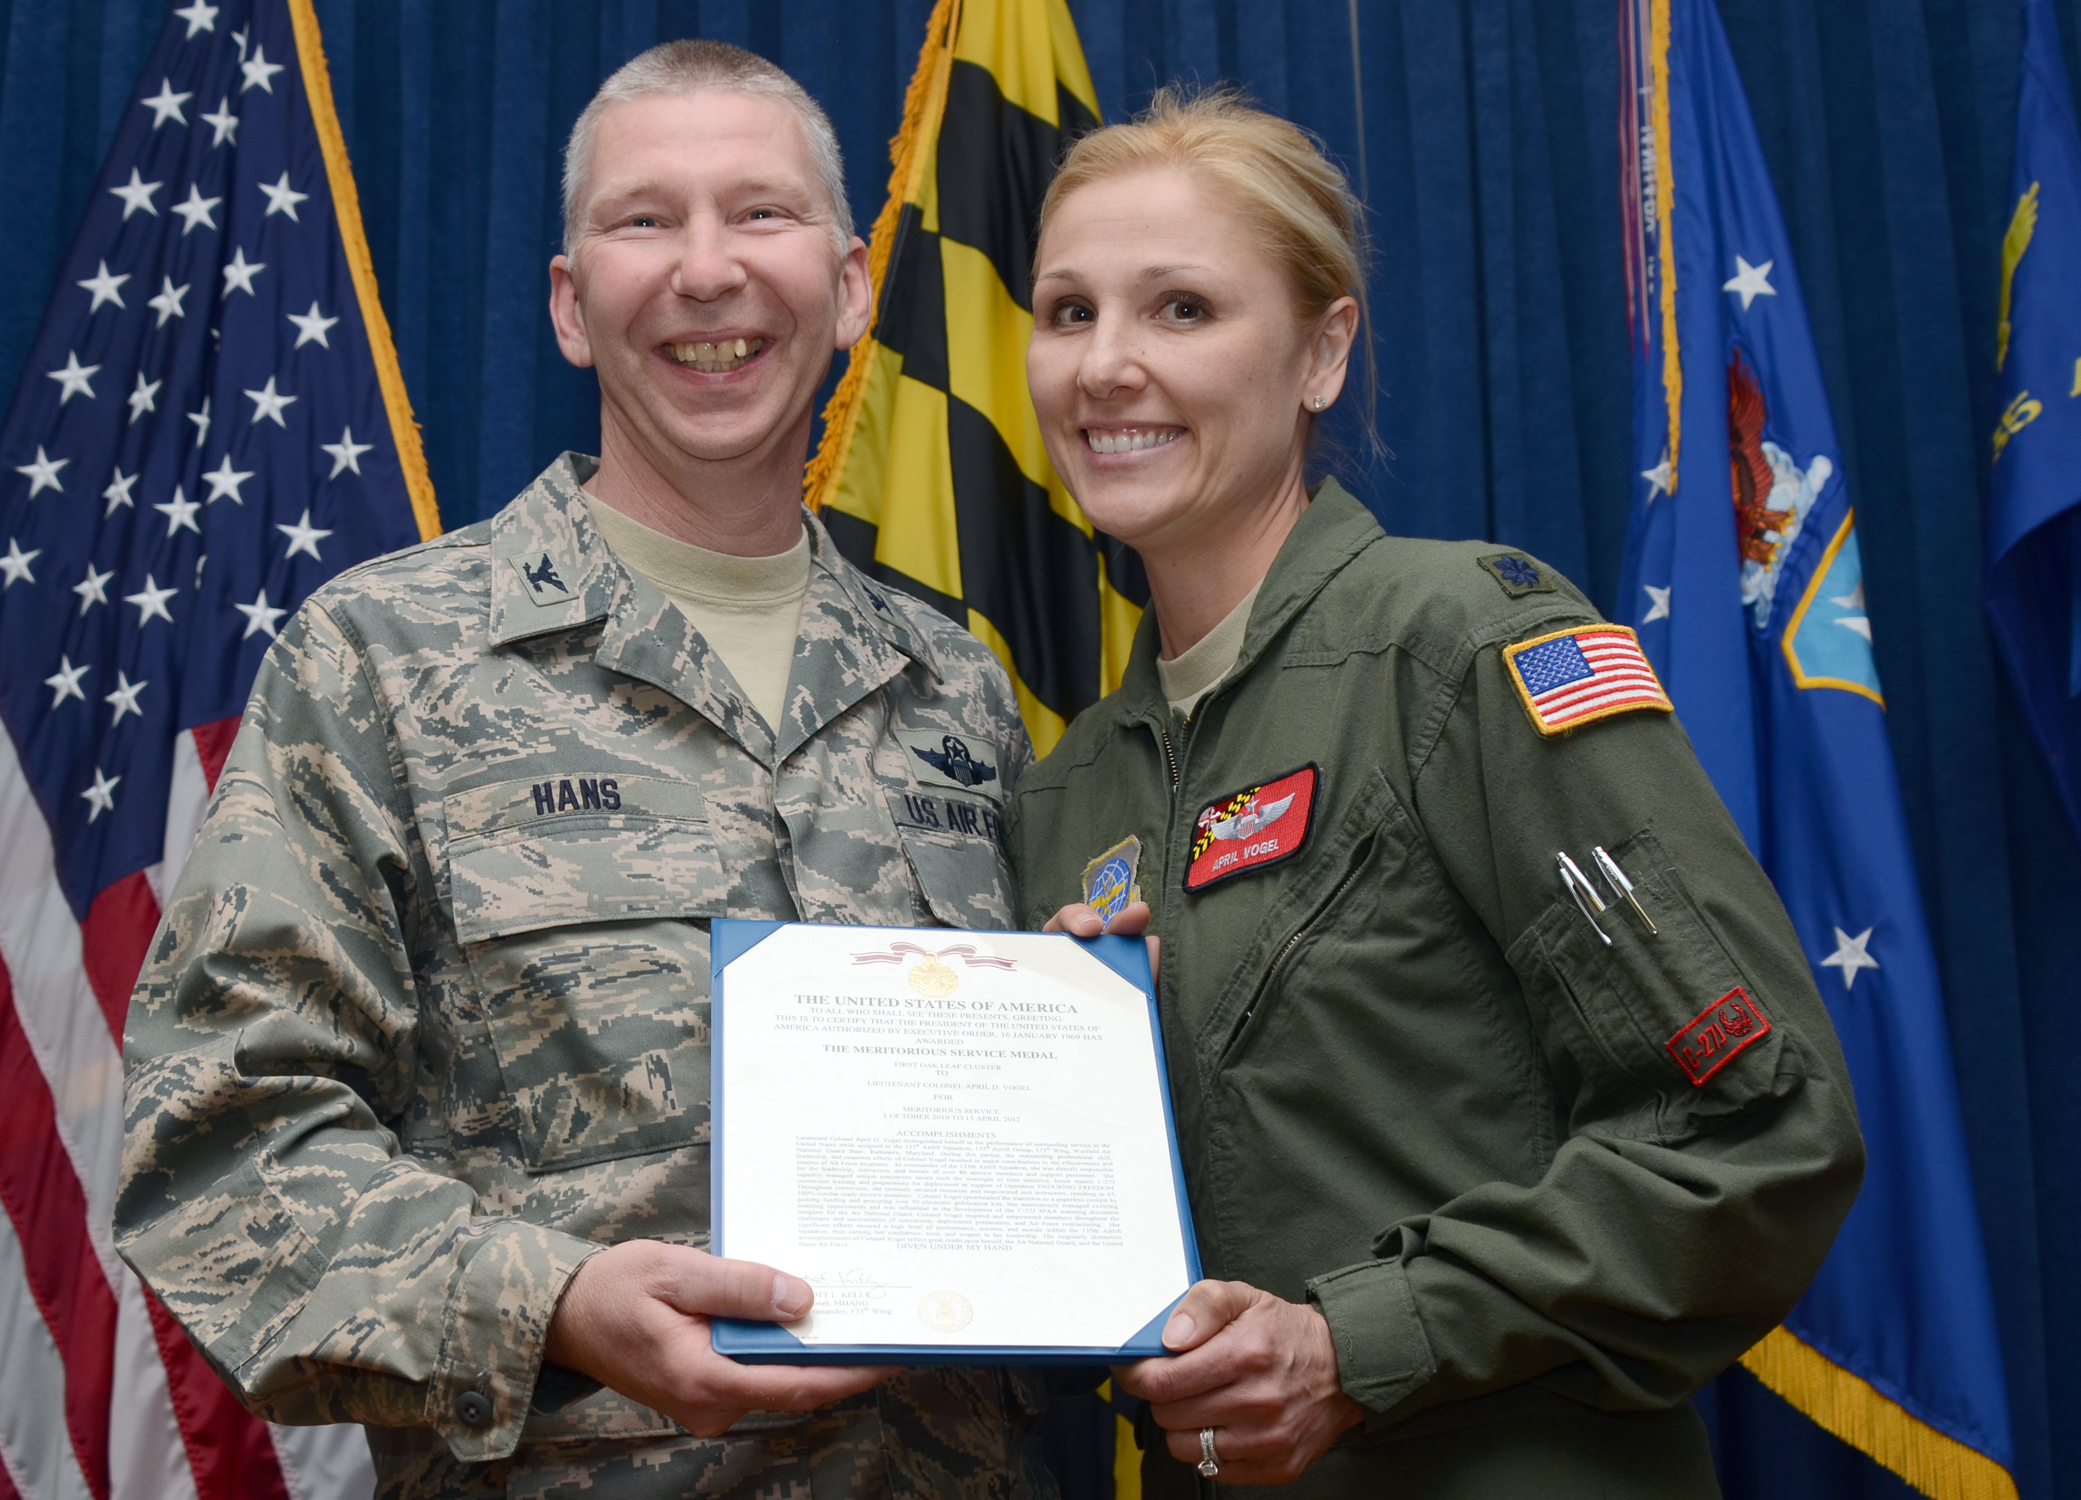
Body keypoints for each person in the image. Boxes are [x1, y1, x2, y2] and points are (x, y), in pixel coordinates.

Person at [116, 41, 1054, 1500]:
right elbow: (218, 1144)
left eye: (759, 213)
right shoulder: (382, 658)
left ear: (854, 282)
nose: (704, 271)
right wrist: (546, 1301)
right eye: (641, 221)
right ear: (569, 303)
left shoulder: (960, 692)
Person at [1010, 89, 1866, 1496]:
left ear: (1322, 353)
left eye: (1180, 310)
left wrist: (1357, 1344)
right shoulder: (1068, 789)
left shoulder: (1466, 649)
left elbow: (1761, 1127)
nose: (1106, 367)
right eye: (1067, 311)